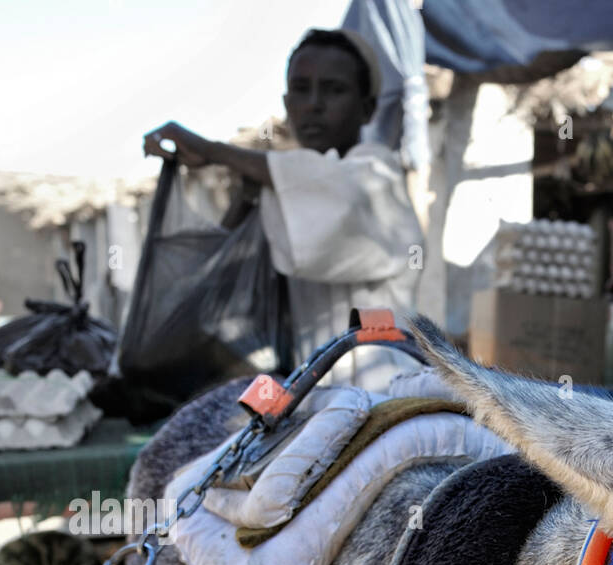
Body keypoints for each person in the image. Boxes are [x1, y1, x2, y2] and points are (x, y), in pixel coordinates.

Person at [143, 27, 423, 387]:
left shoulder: (376, 173)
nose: (314, 104)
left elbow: (333, 190)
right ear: (287, 102)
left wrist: (213, 150)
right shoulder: (284, 189)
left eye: (334, 89)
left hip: (389, 388)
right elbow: (221, 268)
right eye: (301, 89)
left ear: (367, 108)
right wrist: (246, 195)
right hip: (315, 394)